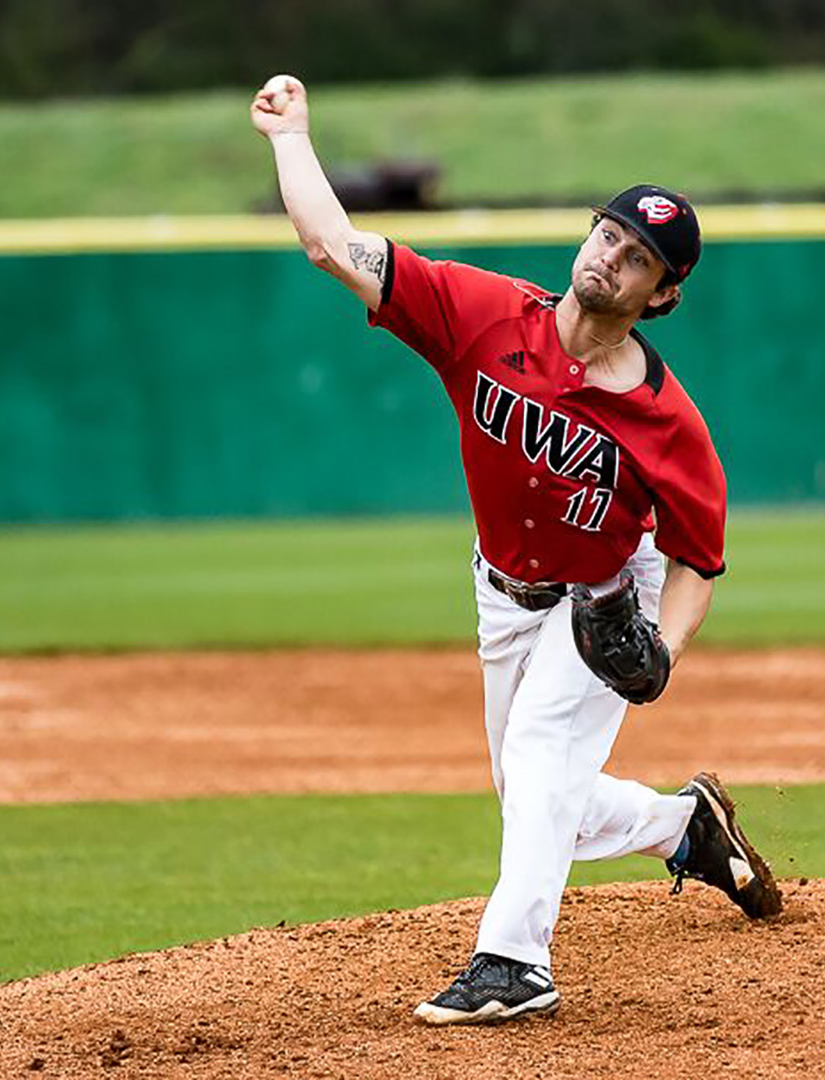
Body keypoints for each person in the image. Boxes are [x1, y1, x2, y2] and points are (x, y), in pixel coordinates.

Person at [250, 73, 781, 1025]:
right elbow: (334, 246)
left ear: (662, 295)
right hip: (503, 595)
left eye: (640, 258)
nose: (613, 257)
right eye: (610, 234)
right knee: (542, 802)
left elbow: (699, 556)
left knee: (542, 755)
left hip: (605, 597)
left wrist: (664, 649)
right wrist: (293, 136)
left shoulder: (669, 423)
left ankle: (513, 961)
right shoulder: (485, 314)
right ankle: (682, 826)